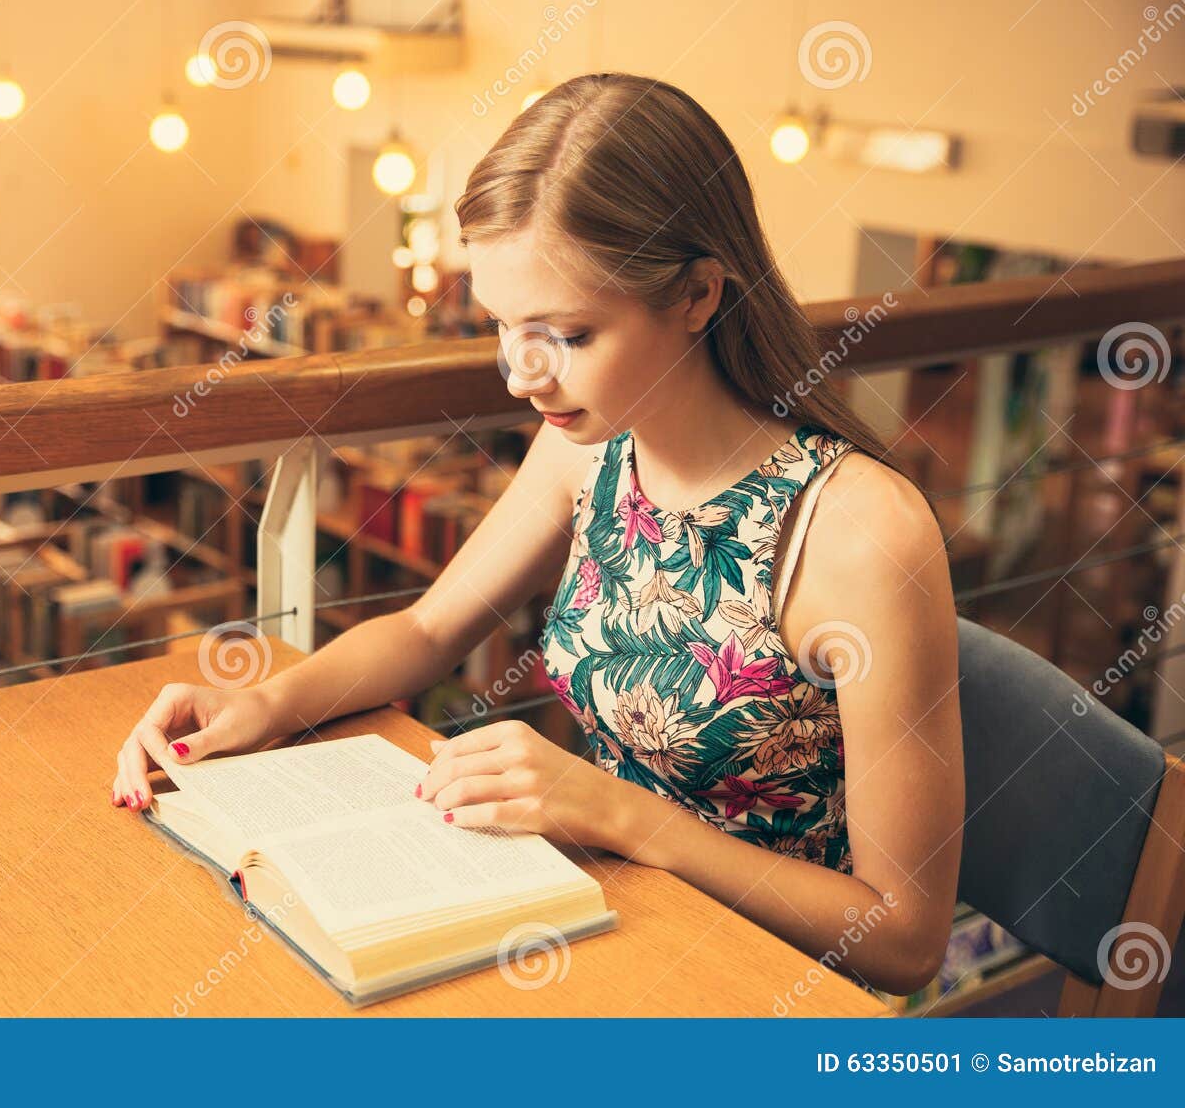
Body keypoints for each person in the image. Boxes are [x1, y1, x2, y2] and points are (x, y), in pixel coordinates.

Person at [114, 73, 963, 996]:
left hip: (765, 995)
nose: (523, 376)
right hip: (612, 931)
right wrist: (265, 706)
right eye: (503, 325)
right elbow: (430, 632)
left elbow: (906, 938)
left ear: (698, 295)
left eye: (567, 332)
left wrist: (622, 816)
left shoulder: (861, 532)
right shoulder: (592, 449)